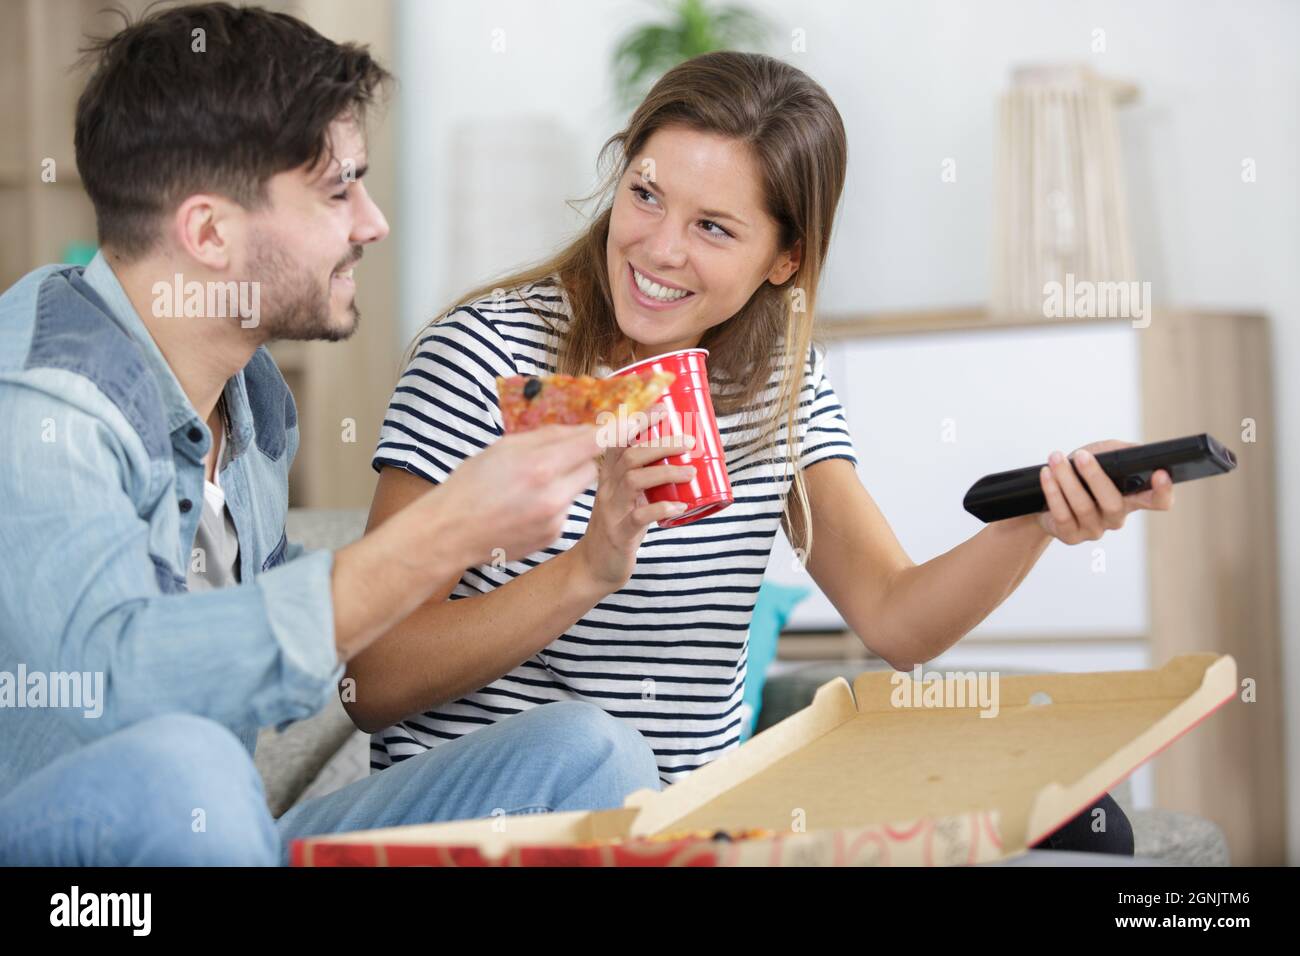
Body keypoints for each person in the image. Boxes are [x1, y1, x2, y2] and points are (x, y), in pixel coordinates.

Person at [348, 50, 1174, 855]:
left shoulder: (780, 380)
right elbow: (372, 682)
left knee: (1081, 823)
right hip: (504, 823)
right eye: (645, 195)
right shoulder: (487, 357)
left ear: (785, 260)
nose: (659, 249)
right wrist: (587, 570)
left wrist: (1034, 517)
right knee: (595, 746)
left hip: (689, 829)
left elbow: (896, 618)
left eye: (712, 226)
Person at [0, 2, 659, 867]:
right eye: (337, 188)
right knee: (187, 768)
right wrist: (445, 529)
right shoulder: (43, 401)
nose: (372, 221)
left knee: (588, 756)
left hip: (218, 835)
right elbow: (118, 690)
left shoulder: (253, 397)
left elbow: (283, 687)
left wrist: (576, 560)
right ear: (207, 232)